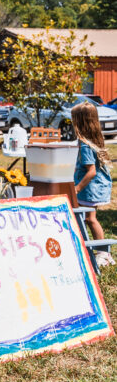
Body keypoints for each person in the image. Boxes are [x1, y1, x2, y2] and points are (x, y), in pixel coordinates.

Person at [72, 101, 114, 266]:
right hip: (96, 187)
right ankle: (102, 251)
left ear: (80, 121)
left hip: (91, 189)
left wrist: (77, 188)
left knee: (90, 219)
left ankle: (103, 253)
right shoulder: (93, 139)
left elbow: (91, 171)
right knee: (87, 218)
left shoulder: (85, 145)